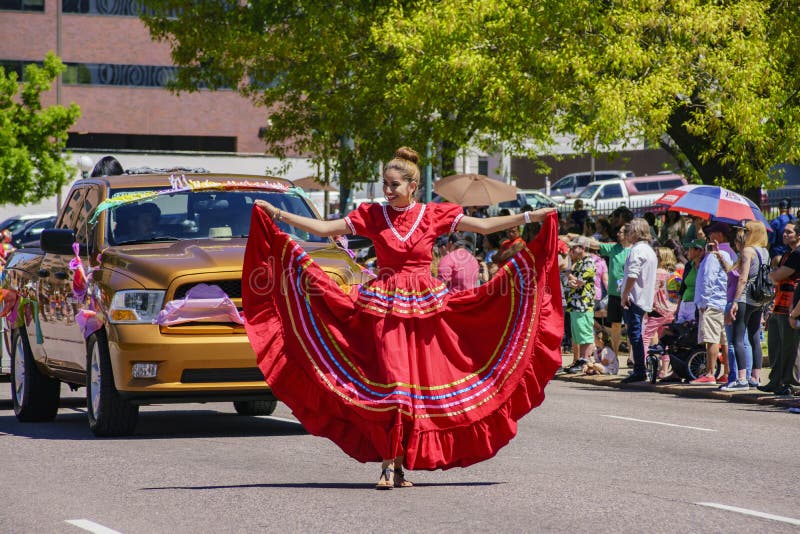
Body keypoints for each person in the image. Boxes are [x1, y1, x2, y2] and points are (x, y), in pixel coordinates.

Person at [242, 147, 561, 489]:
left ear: (412, 186)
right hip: (385, 308)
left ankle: (400, 465)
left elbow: (483, 226)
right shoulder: (373, 215)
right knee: (393, 385)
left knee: (415, 393)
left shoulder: (431, 214)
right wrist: (278, 214)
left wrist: (531, 218)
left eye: (394, 185)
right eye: (385, 184)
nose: (388, 190)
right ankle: (386, 463)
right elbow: (322, 229)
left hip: (426, 312)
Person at [714, 221, 768, 391]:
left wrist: (735, 302)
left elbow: (742, 278)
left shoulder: (747, 251)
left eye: (746, 231)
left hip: (744, 298)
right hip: (758, 299)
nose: (743, 234)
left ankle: (742, 379)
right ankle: (755, 378)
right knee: (754, 338)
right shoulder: (764, 251)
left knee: (737, 338)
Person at [619, 218, 658, 383]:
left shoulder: (637, 250)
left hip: (634, 298)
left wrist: (625, 294)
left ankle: (639, 370)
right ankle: (639, 368)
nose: (627, 234)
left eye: (629, 231)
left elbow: (633, 275)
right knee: (637, 335)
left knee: (634, 335)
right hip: (644, 297)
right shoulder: (649, 250)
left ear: (635, 232)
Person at [689, 235, 731, 384]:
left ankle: (710, 373)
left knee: (712, 339)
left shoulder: (711, 258)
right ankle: (727, 372)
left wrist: (704, 303)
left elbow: (708, 279)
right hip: (722, 303)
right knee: (724, 340)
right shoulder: (727, 254)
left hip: (712, 303)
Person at [767, 221, 800, 395]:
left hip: (791, 306)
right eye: (784, 232)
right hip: (779, 304)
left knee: (790, 347)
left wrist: (774, 275)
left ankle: (791, 383)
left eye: (789, 232)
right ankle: (775, 381)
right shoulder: (787, 254)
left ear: (798, 235)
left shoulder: (797, 254)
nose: (785, 234)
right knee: (776, 345)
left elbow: (777, 276)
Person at [598, 223, 631, 356]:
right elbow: (596, 245)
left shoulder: (634, 250)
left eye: (621, 232)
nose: (618, 234)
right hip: (614, 294)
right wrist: (580, 239)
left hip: (629, 295)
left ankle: (631, 357)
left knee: (630, 326)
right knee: (615, 326)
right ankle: (615, 356)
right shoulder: (613, 248)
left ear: (629, 234)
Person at [564, 236, 597, 372]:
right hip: (575, 304)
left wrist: (569, 276)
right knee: (578, 335)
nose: (571, 250)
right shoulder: (578, 263)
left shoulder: (588, 262)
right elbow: (572, 283)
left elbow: (578, 282)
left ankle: (585, 360)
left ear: (583, 248)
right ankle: (582, 360)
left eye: (574, 247)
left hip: (584, 304)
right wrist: (571, 279)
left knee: (585, 334)